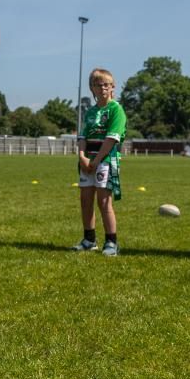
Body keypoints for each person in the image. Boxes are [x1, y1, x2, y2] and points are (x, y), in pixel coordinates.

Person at [72, 68, 127, 256]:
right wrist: (82, 157)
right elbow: (82, 137)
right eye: (97, 84)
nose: (102, 87)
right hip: (87, 161)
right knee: (85, 200)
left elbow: (111, 139)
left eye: (106, 84)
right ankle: (89, 240)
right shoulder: (90, 112)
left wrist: (95, 161)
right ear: (91, 89)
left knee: (104, 201)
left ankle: (111, 242)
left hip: (106, 160)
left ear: (113, 87)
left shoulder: (116, 110)